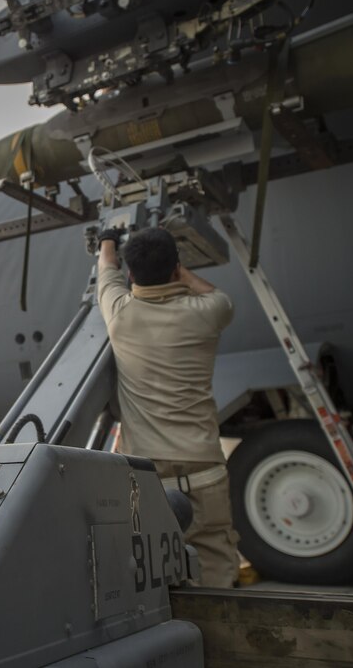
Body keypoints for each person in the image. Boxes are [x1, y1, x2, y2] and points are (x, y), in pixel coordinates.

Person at [97, 226, 239, 587]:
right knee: (217, 578)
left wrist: (108, 241)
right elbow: (216, 294)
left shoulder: (119, 313)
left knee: (155, 582)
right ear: (177, 268)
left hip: (147, 480)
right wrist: (180, 270)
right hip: (204, 473)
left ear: (131, 275)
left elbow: (106, 269)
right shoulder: (210, 312)